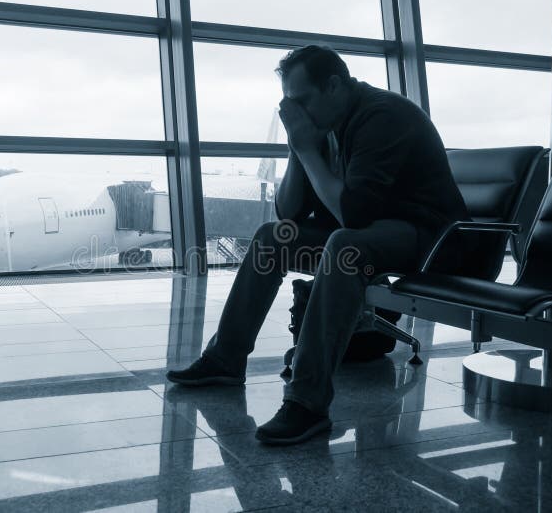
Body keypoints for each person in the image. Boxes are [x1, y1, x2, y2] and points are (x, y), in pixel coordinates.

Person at [166, 45, 469, 445]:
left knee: (345, 244)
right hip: (371, 232)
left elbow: (353, 217)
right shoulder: (327, 125)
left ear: (334, 86)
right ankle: (225, 358)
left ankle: (307, 404)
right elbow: (289, 211)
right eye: (289, 104)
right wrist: (299, 146)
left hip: (431, 238)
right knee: (272, 236)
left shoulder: (382, 116)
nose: (298, 112)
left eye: (302, 100)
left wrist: (309, 149)